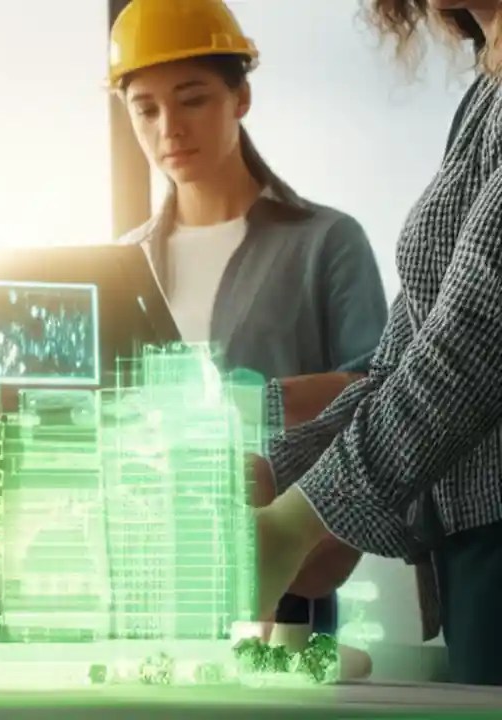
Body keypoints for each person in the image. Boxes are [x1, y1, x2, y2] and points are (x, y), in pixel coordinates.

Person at [109, 0, 389, 651]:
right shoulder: (125, 263)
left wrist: (249, 404)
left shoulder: (328, 242)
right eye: (145, 109)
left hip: (289, 580)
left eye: (193, 99)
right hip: (155, 584)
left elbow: (379, 389)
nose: (168, 128)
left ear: (241, 97)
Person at [256, 0, 502, 686]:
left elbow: (480, 338)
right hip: (472, 550)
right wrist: (289, 476)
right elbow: (404, 353)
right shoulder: (484, 95)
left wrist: (298, 518)